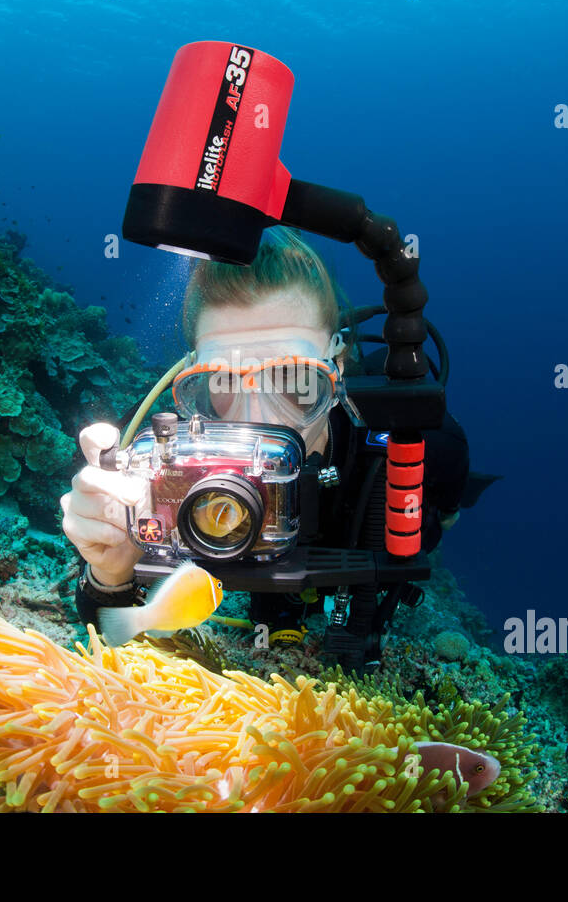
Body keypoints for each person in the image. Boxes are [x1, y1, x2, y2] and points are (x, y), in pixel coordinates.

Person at [59, 226, 474, 670]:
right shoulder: (166, 472)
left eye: (294, 379)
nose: (257, 419)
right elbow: (110, 637)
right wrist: (111, 575)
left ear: (336, 370)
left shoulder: (425, 449)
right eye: (221, 382)